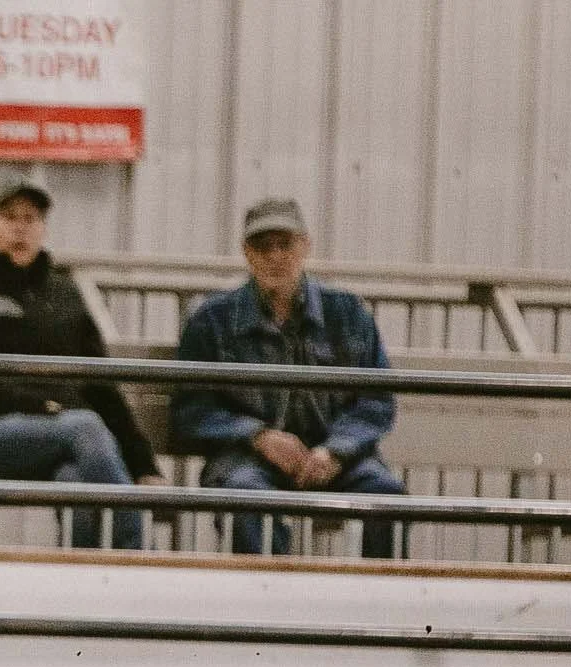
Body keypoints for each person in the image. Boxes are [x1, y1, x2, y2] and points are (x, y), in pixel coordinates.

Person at [0, 174, 163, 551]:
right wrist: (42, 406)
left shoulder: (66, 295)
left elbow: (101, 382)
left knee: (77, 477)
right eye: (9, 216)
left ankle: (84, 578)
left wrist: (143, 464)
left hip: (69, 435)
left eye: (32, 218)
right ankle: (134, 561)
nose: (22, 228)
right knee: (85, 426)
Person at [172, 196, 405, 557]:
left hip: (337, 456)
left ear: (305, 246)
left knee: (386, 496)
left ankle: (388, 607)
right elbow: (191, 408)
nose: (276, 256)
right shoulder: (212, 320)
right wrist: (257, 436)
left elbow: (376, 400)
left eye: (286, 244)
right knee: (244, 497)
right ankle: (269, 607)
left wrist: (335, 451)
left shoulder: (347, 313)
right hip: (247, 459)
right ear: (246, 253)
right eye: (263, 246)